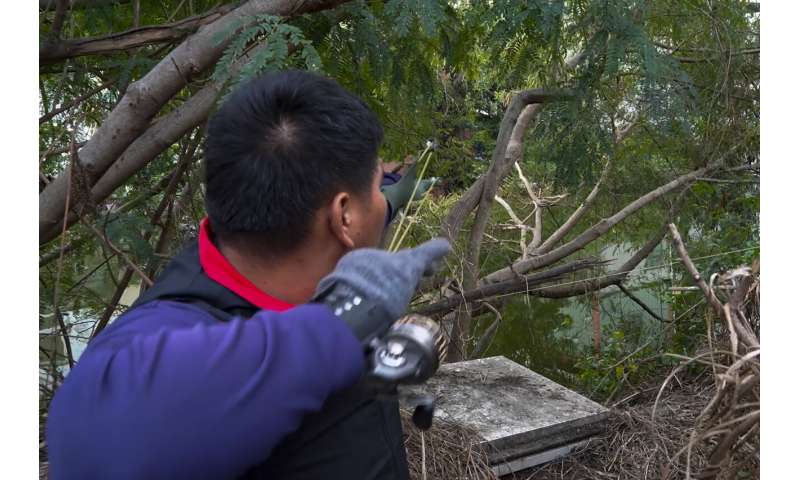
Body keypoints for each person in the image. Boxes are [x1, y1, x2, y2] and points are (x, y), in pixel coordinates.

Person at [45, 70, 450, 480]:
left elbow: (354, 217)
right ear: (344, 215)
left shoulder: (244, 246)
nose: (385, 202)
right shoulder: (174, 329)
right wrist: (347, 316)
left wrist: (387, 199)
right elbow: (99, 436)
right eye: (378, 188)